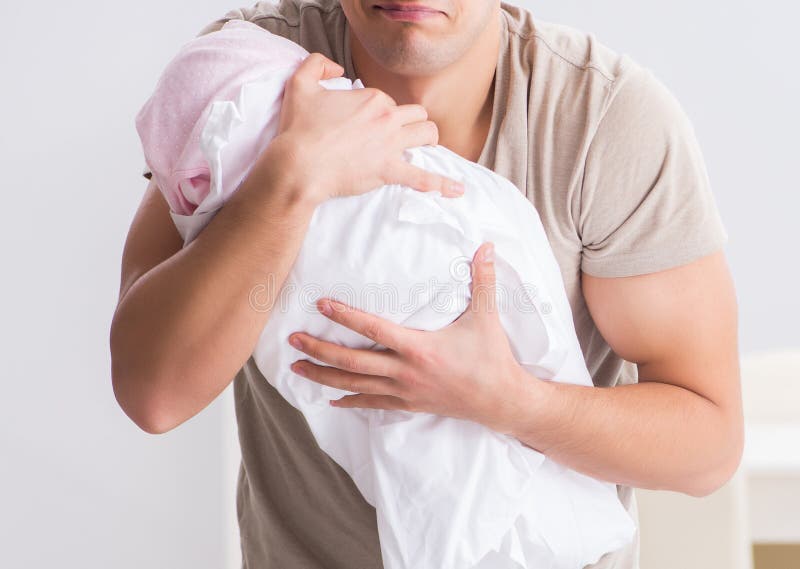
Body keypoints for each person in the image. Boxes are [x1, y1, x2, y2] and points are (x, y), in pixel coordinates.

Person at [109, 1, 743, 568]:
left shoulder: (599, 119)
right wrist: (293, 177)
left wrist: (512, 401)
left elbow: (708, 447)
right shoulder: (250, 72)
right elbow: (152, 394)